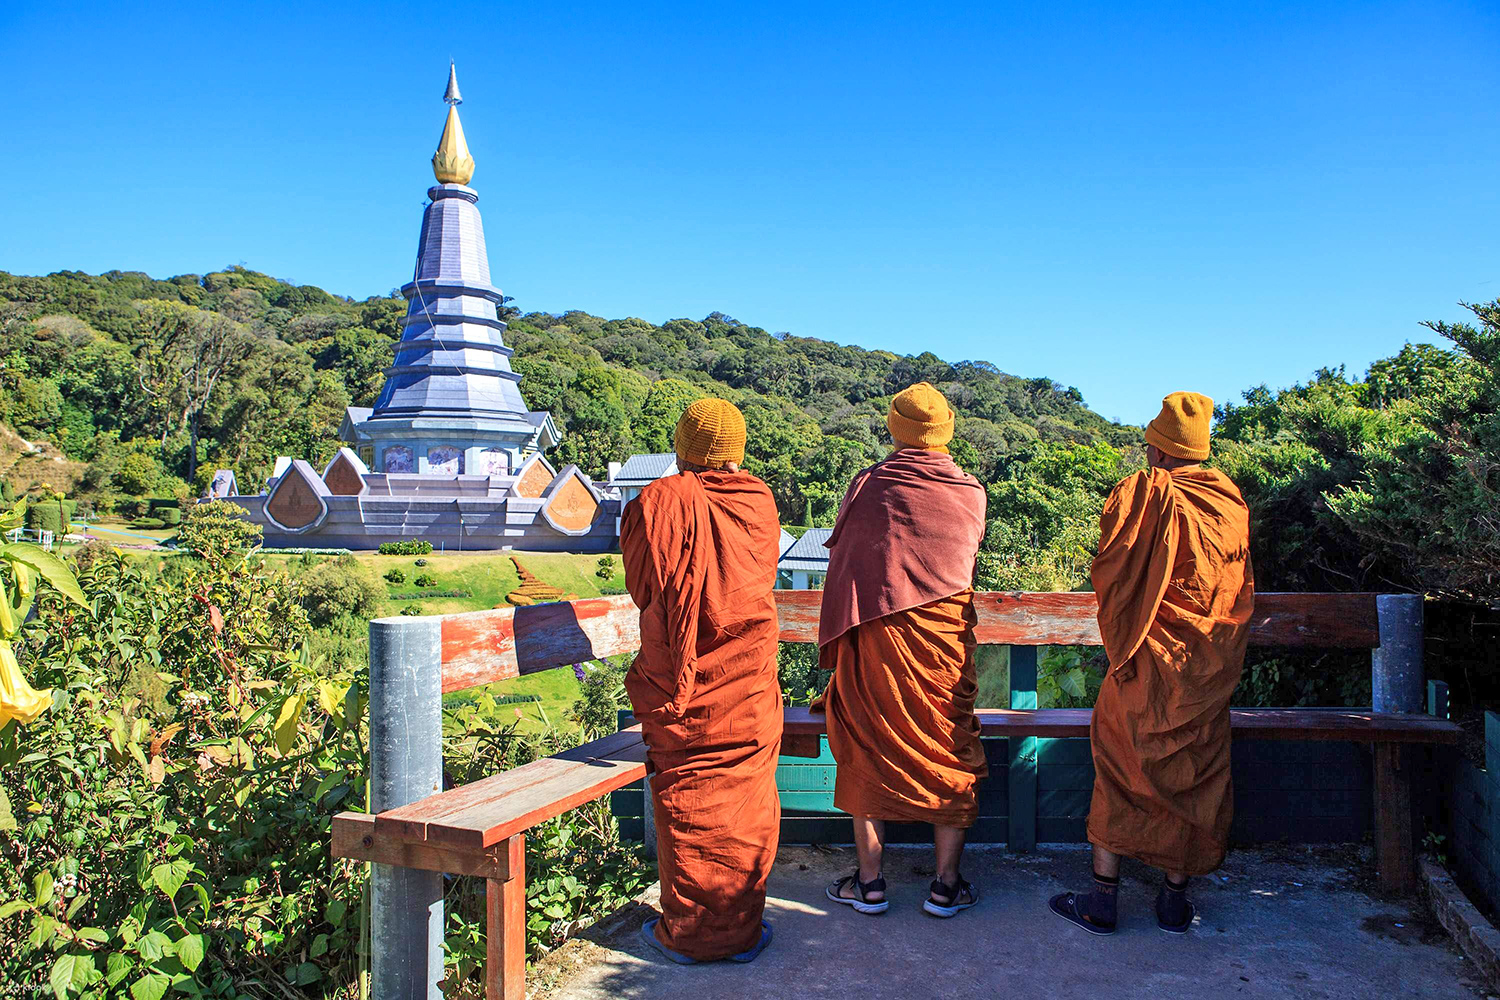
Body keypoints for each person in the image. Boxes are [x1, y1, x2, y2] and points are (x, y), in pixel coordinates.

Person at [1051, 391, 1255, 935]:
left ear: (1160, 452)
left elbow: (1113, 575)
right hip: (1202, 672)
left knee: (1120, 765)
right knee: (1193, 772)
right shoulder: (1230, 505)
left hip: (1144, 667)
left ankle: (1102, 900)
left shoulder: (1143, 494)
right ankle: (1173, 901)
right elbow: (1232, 592)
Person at [812, 382, 989, 918]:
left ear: (895, 428)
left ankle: (869, 885)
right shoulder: (970, 493)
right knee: (949, 748)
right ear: (947, 432)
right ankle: (945, 886)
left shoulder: (870, 486)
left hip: (877, 645)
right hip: (943, 647)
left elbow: (846, 566)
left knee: (866, 743)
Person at [620, 397, 783, 964]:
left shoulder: (657, 503)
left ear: (682, 448)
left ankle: (691, 935)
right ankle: (741, 930)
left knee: (691, 803)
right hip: (748, 685)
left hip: (687, 689)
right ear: (737, 450)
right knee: (746, 805)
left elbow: (643, 587)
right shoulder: (760, 501)